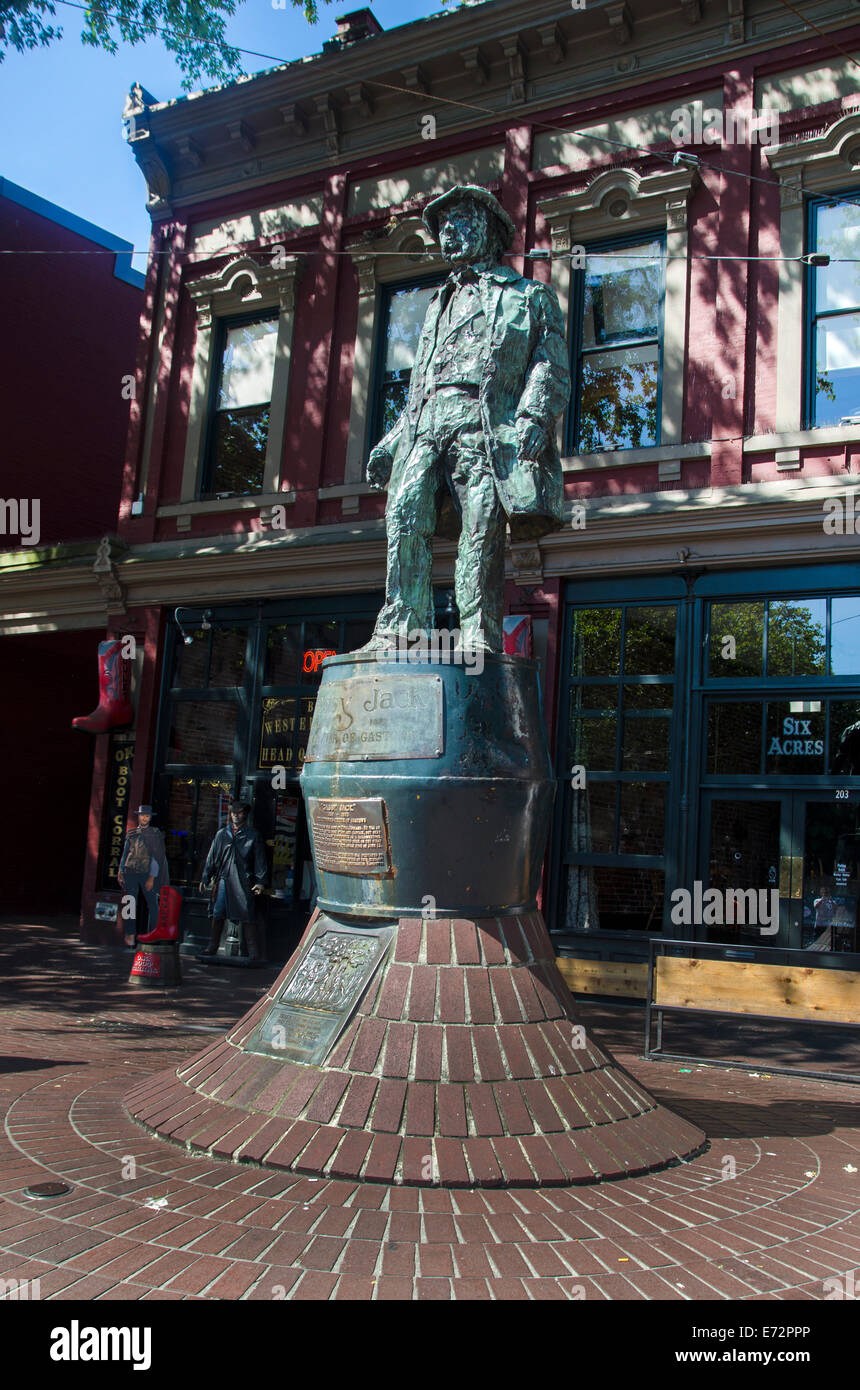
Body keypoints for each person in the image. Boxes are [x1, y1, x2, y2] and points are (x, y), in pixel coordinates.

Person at [363, 184, 570, 654]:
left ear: (491, 231)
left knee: (480, 532)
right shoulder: (437, 305)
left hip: (484, 425)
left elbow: (551, 362)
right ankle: (401, 629)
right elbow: (421, 383)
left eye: (461, 221)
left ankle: (478, 637)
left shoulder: (529, 296)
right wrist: (392, 440)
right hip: (427, 425)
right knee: (403, 515)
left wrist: (535, 414)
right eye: (443, 225)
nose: (448, 232)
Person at [199, 801, 267, 961]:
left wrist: (260, 881)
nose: (236, 815)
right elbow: (212, 856)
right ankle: (213, 945)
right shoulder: (222, 834)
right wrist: (205, 877)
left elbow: (259, 859)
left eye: (240, 812)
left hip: (244, 881)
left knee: (247, 914)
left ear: (245, 814)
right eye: (233, 812)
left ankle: (252, 951)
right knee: (218, 913)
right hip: (224, 879)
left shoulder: (252, 835)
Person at [118, 804, 169, 945]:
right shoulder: (132, 834)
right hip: (130, 872)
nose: (144, 818)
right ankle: (130, 934)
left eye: (147, 816)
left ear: (150, 818)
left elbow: (157, 858)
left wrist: (152, 877)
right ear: (139, 816)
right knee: (129, 903)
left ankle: (153, 933)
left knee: (152, 904)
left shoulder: (154, 834)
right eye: (142, 815)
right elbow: (125, 854)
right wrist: (121, 871)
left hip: (147, 874)